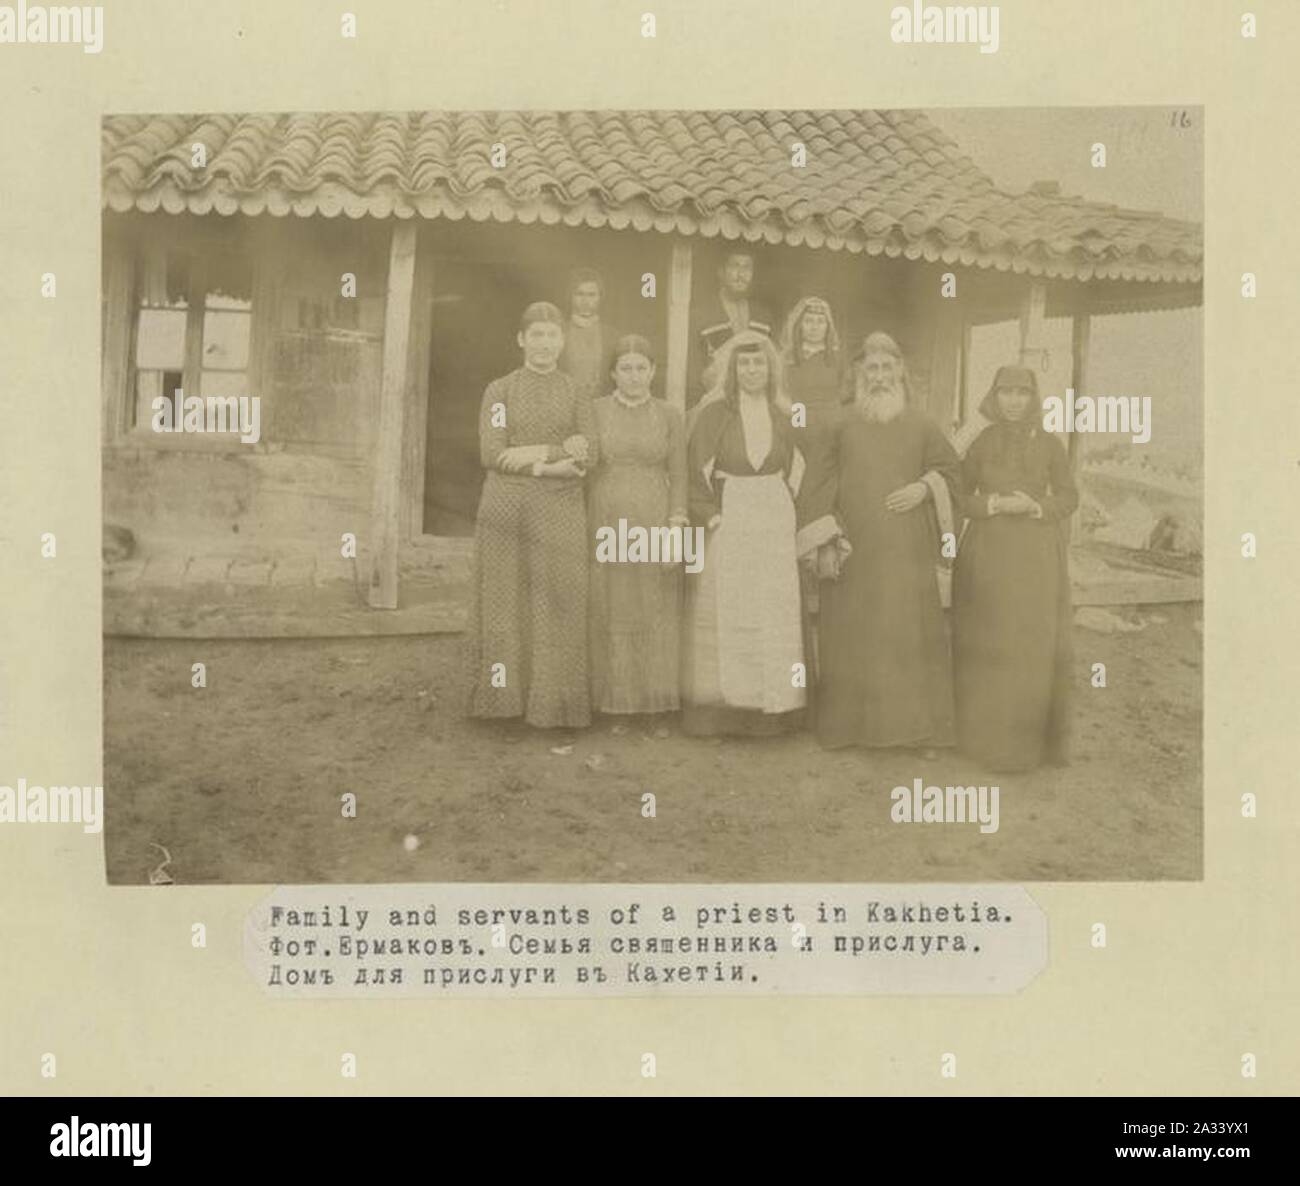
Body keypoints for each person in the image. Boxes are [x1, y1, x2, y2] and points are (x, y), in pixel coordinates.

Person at [798, 331, 960, 751]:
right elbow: (816, 485)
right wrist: (830, 535)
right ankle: (849, 730)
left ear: (901, 371)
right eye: (872, 368)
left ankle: (916, 732)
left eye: (888, 367)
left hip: (907, 553)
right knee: (852, 635)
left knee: (906, 635)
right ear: (859, 373)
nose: (880, 376)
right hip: (853, 549)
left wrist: (924, 488)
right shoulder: (838, 423)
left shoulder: (923, 424)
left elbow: (952, 472)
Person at [466, 301, 597, 729]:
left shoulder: (577, 391)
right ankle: (501, 704)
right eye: (536, 335)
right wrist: (549, 464)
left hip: (560, 509)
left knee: (558, 600)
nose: (544, 343)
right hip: (505, 509)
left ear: (563, 341)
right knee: (504, 600)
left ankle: (555, 708)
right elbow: (492, 452)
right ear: (521, 340)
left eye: (552, 335)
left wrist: (535, 451)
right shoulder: (499, 391)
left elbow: (590, 451)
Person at [952, 364, 1078, 771]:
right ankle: (982, 742)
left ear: (1033, 398)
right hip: (987, 554)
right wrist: (991, 504)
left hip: (1035, 558)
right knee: (987, 640)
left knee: (1029, 645)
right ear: (994, 396)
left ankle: (1025, 747)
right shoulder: (981, 442)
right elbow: (959, 495)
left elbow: (1069, 496)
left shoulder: (1051, 445)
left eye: (1022, 393)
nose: (1013, 401)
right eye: (1006, 392)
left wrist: (1035, 506)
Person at [683, 331, 808, 735]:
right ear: (732, 370)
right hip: (731, 515)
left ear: (771, 369)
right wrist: (712, 517)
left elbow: (802, 467)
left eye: (759, 363)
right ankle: (728, 711)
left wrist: (791, 512)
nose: (752, 370)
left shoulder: (787, 413)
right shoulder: (714, 414)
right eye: (744, 363)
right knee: (731, 607)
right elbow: (694, 472)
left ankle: (773, 709)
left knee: (773, 608)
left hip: (773, 516)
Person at [587, 335, 688, 716]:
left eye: (641, 368)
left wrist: (676, 525)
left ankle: (655, 705)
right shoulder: (595, 410)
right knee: (614, 605)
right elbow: (585, 465)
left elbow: (680, 474)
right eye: (625, 368)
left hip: (655, 515)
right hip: (608, 516)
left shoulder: (670, 414)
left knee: (655, 606)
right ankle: (617, 703)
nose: (633, 376)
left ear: (653, 371)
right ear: (613, 373)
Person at [690, 250, 775, 395]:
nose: (741, 275)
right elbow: (694, 369)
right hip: (715, 395)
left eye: (747, 267)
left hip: (756, 396)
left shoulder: (764, 316)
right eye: (735, 266)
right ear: (721, 272)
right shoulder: (702, 314)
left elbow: (773, 363)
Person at [558, 267, 624, 403]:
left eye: (591, 295)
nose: (585, 301)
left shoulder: (613, 336)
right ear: (570, 297)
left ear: (600, 297)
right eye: (579, 294)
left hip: (602, 406)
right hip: (567, 405)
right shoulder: (558, 332)